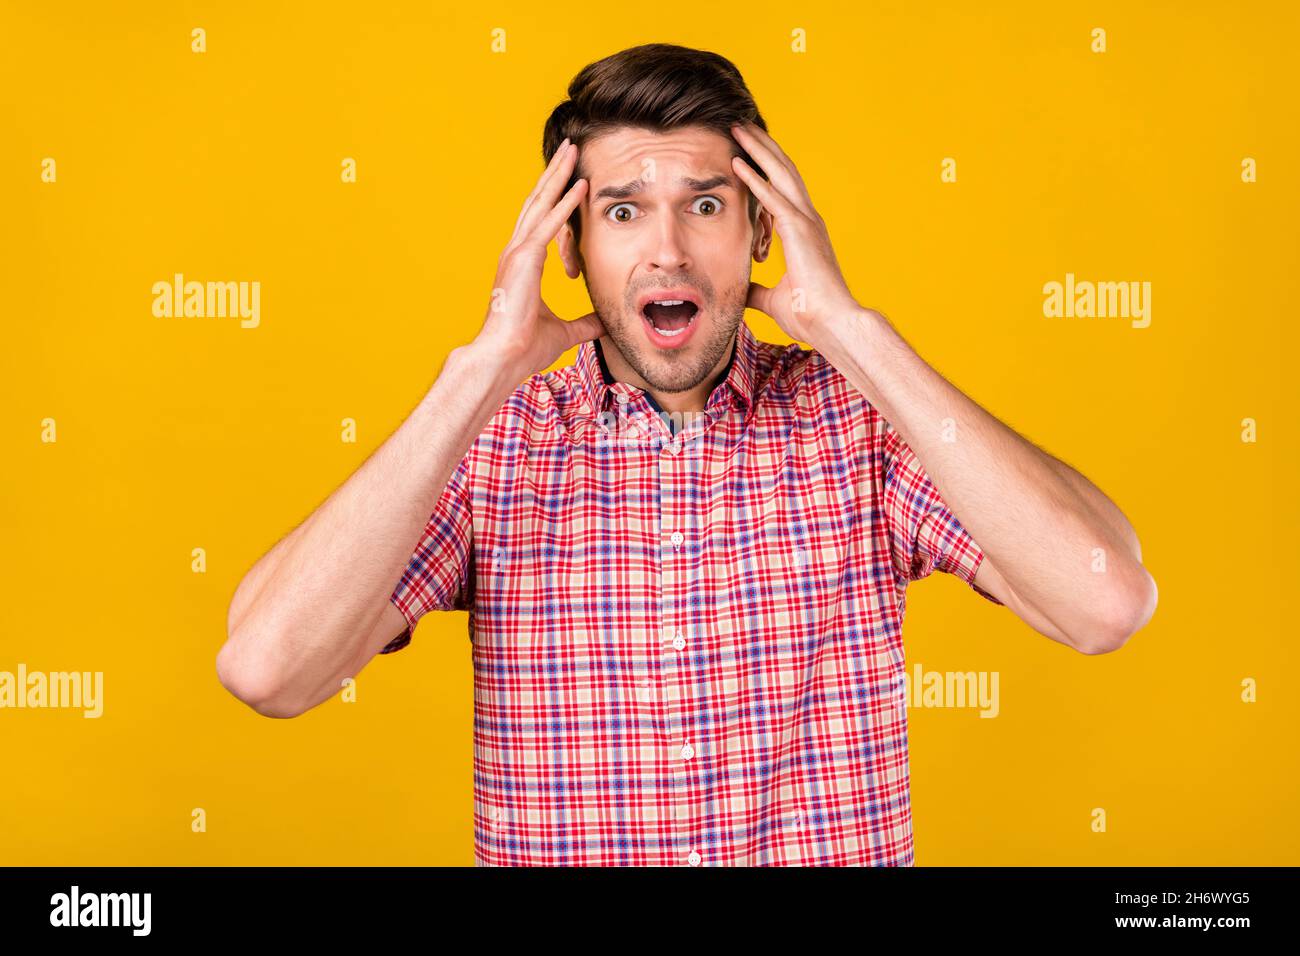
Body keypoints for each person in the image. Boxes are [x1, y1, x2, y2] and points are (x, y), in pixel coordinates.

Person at [217, 43, 1157, 866]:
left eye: (705, 204)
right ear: (572, 249)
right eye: (622, 213)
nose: (666, 249)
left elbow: (1104, 600)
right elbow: (268, 670)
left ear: (761, 230)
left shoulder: (861, 423)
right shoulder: (492, 444)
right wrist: (478, 373)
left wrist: (854, 333)